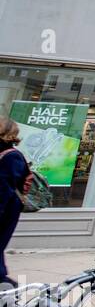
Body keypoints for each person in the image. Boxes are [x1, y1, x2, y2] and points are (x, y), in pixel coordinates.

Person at [0, 117, 28, 288]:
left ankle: (2, 279)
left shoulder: (12, 156)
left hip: (6, 208)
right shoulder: (13, 155)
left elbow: (5, 187)